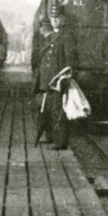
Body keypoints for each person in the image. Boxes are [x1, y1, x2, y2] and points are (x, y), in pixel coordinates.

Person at [34, 14, 69, 150]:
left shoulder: (62, 37)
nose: (40, 30)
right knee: (48, 110)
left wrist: (61, 79)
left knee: (57, 111)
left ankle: (60, 142)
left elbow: (68, 61)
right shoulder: (50, 38)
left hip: (55, 82)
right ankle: (50, 136)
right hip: (47, 81)